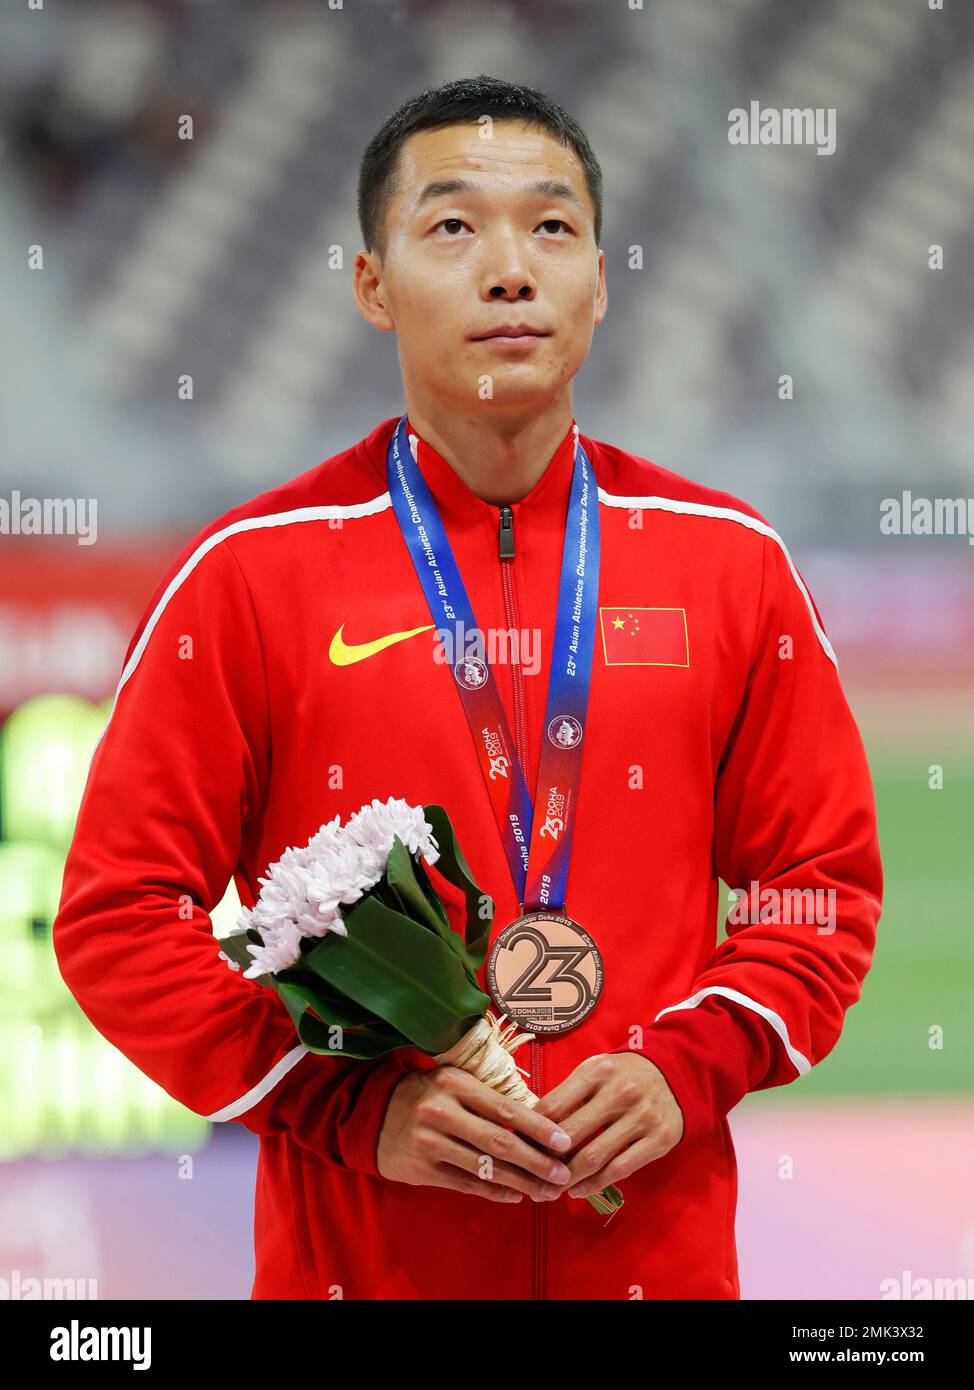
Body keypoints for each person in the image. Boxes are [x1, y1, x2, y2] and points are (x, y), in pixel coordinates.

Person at [53, 74, 883, 1301]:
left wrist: (689, 1059)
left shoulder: (729, 565)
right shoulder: (249, 578)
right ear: (370, 283)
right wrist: (345, 1105)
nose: (510, 269)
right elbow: (121, 917)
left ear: (600, 279)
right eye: (452, 227)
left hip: (656, 1272)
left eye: (551, 228)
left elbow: (817, 888)